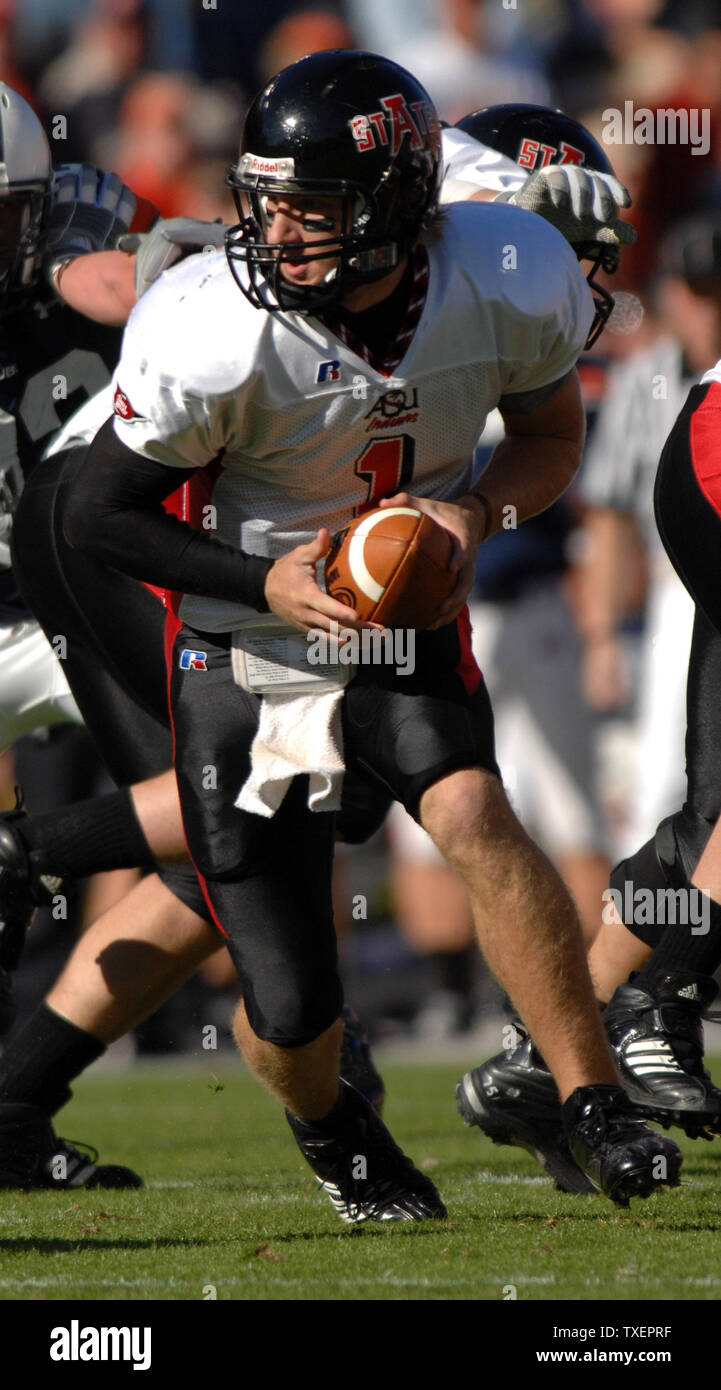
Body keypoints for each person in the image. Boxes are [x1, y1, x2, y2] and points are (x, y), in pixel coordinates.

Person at [52, 50, 680, 1221]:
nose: (276, 231)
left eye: (310, 207)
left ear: (395, 210)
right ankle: (330, 1123)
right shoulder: (212, 325)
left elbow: (549, 435)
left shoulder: (504, 269)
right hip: (242, 636)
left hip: (399, 615)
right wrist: (261, 577)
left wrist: (477, 508)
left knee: (473, 810)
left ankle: (593, 1100)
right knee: (291, 1009)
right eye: (267, 199)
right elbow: (97, 516)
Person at [458, 216, 721, 1189]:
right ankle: (657, 1002)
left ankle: (546, 1055)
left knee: (707, 813)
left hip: (703, 451)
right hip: (711, 459)